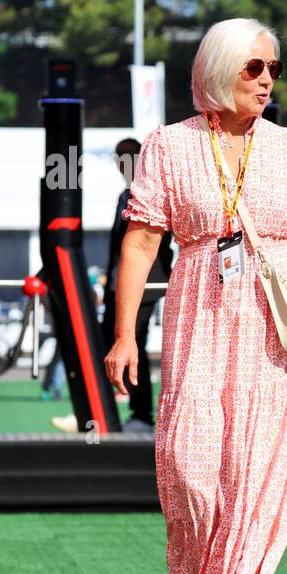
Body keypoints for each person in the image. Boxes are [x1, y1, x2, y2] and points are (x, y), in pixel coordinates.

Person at [105, 17, 287, 574]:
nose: (268, 80)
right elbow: (141, 243)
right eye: (254, 68)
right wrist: (124, 334)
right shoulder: (169, 145)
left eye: (274, 69)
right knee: (187, 464)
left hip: (273, 329)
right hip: (196, 320)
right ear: (219, 69)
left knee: (255, 472)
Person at [102, 137, 174, 432]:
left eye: (128, 157)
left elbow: (152, 244)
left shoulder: (148, 192)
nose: (123, 164)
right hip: (119, 282)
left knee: (134, 342)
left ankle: (141, 414)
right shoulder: (126, 194)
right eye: (119, 158)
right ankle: (104, 408)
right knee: (110, 339)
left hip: (145, 282)